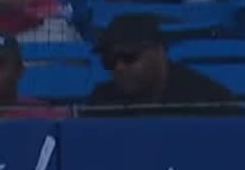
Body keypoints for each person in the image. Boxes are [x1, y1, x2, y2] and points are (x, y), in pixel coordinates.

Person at [84, 14, 236, 116]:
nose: (119, 67)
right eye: (109, 60)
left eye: (129, 57)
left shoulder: (207, 101)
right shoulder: (101, 103)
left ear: (158, 53)